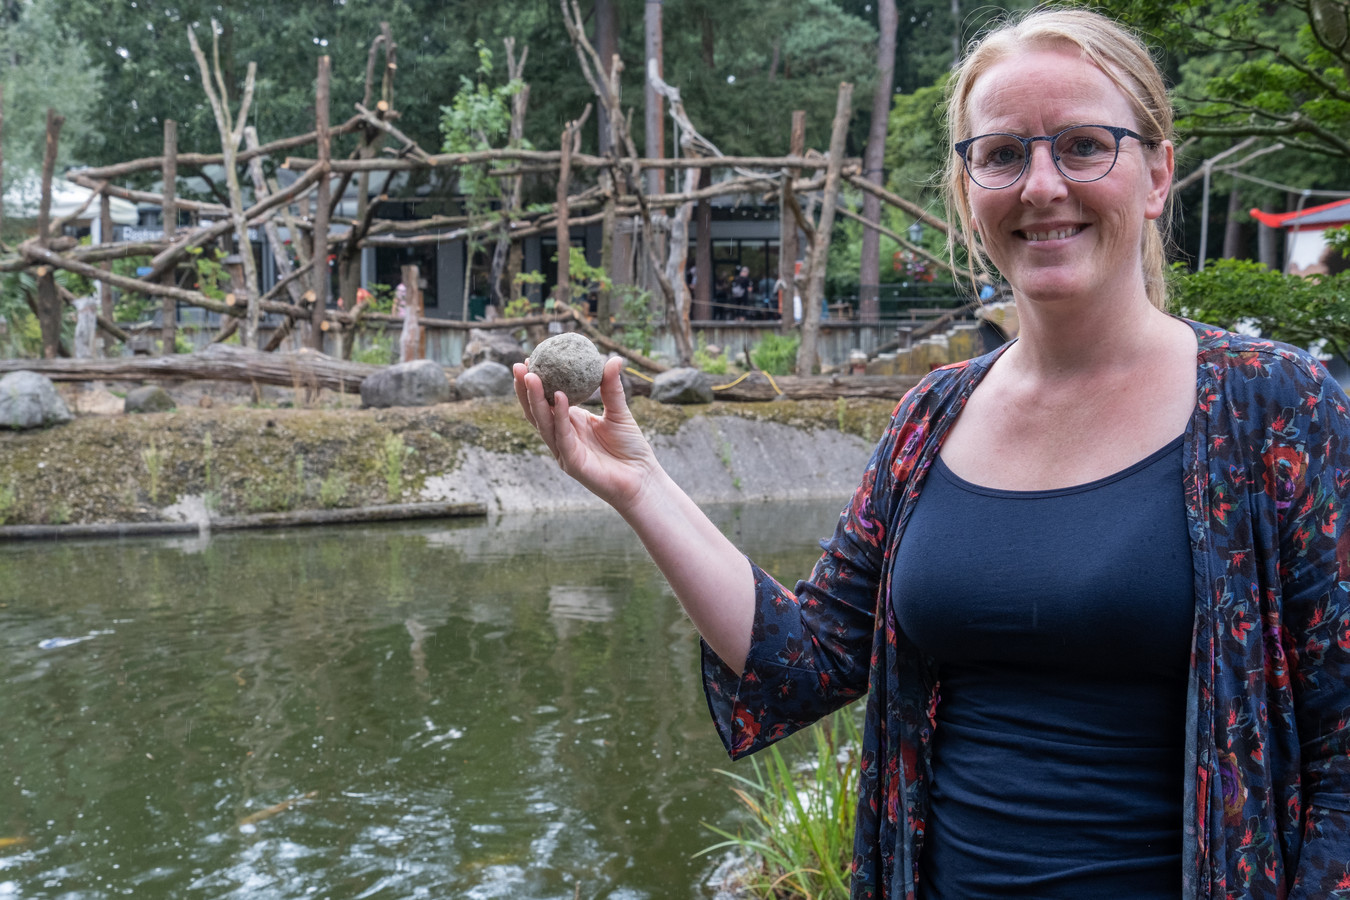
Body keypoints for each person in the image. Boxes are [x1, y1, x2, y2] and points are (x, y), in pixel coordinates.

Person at [513, 8, 1349, 899]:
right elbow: (806, 661)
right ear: (967, 187)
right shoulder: (932, 418)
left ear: (1156, 173)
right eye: (1002, 155)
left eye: (1082, 146)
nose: (1041, 185)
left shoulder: (1275, 406)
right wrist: (641, 485)